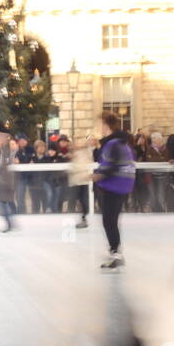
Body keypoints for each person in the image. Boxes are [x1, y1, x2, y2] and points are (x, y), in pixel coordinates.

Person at [94, 114, 136, 270]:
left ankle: (116, 254)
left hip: (115, 185)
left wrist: (96, 175)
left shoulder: (112, 143)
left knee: (109, 221)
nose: (98, 127)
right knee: (111, 220)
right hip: (122, 185)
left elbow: (109, 165)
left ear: (106, 125)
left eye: (99, 124)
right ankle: (116, 252)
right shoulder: (121, 142)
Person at [0, 131, 17, 231]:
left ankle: (10, 224)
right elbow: (1, 167)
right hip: (4, 184)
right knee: (5, 206)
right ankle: (11, 224)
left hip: (6, 185)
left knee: (4, 207)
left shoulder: (6, 152)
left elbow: (5, 168)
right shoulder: (3, 153)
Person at [67, 135, 94, 227]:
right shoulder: (75, 152)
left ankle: (84, 218)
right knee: (76, 200)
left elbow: (85, 164)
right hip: (76, 180)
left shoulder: (85, 152)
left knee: (83, 200)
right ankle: (80, 218)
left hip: (83, 180)